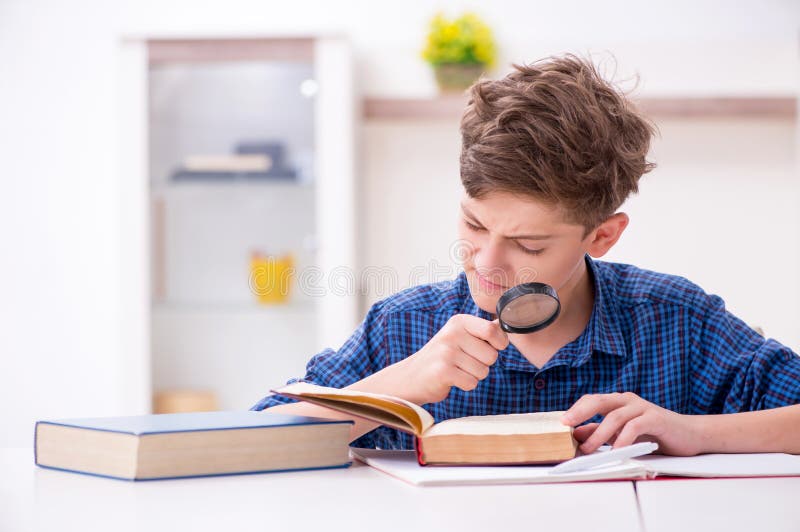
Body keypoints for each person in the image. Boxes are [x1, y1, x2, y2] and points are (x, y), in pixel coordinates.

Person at [252, 54, 800, 455]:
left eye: (529, 244)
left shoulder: (677, 321)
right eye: (474, 224)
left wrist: (695, 432)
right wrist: (396, 389)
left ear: (602, 237)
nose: (486, 263)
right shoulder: (403, 327)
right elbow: (250, 441)